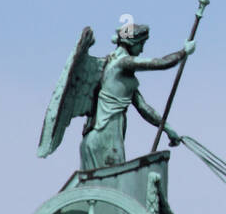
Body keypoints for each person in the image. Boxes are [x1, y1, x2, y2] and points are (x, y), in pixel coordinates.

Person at [79, 22, 195, 170]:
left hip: (97, 139)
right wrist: (184, 52)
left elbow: (143, 107)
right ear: (131, 43)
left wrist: (166, 128)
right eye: (141, 44)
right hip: (105, 139)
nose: (142, 49)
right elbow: (160, 63)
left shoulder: (116, 72)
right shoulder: (121, 63)